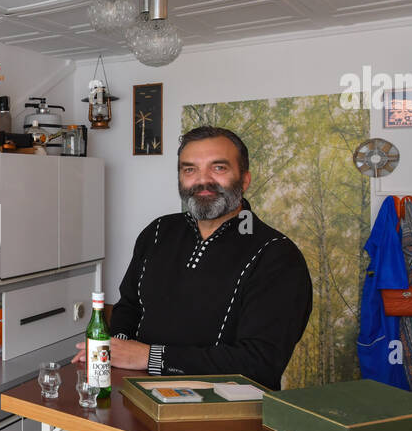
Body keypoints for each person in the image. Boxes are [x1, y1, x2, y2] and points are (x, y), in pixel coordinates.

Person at [76, 126, 312, 390]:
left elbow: (260, 363)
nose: (203, 181)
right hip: (134, 393)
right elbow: (129, 306)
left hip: (225, 413)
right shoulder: (157, 232)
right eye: (190, 170)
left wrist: (148, 357)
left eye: (218, 168)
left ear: (244, 180)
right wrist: (116, 349)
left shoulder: (277, 255)